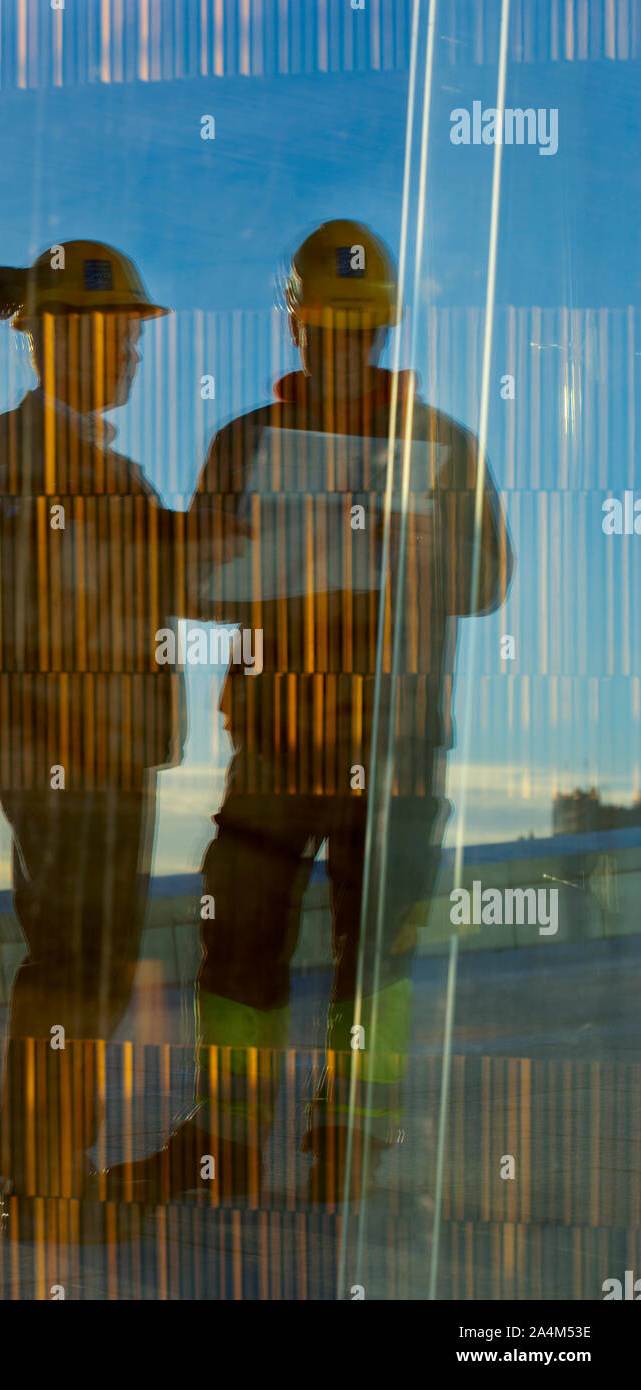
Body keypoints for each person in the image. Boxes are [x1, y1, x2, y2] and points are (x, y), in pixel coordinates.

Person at [106, 219, 514, 1205]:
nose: (337, 338)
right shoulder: (250, 443)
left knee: (366, 960)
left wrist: (394, 549)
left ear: (375, 327)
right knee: (249, 951)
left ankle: (346, 1142)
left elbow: (486, 579)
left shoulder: (435, 444)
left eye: (354, 321)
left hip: (388, 748)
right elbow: (202, 579)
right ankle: (236, 1143)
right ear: (297, 324)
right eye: (326, 319)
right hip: (285, 749)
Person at [0, 241, 183, 1220]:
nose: (133, 349)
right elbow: (5, 630)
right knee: (73, 957)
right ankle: (42, 1182)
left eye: (134, 332)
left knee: (99, 958)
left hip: (113, 753)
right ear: (59, 339)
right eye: (119, 330)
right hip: (61, 753)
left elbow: (197, 569)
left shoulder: (113, 475)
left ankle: (56, 1170)